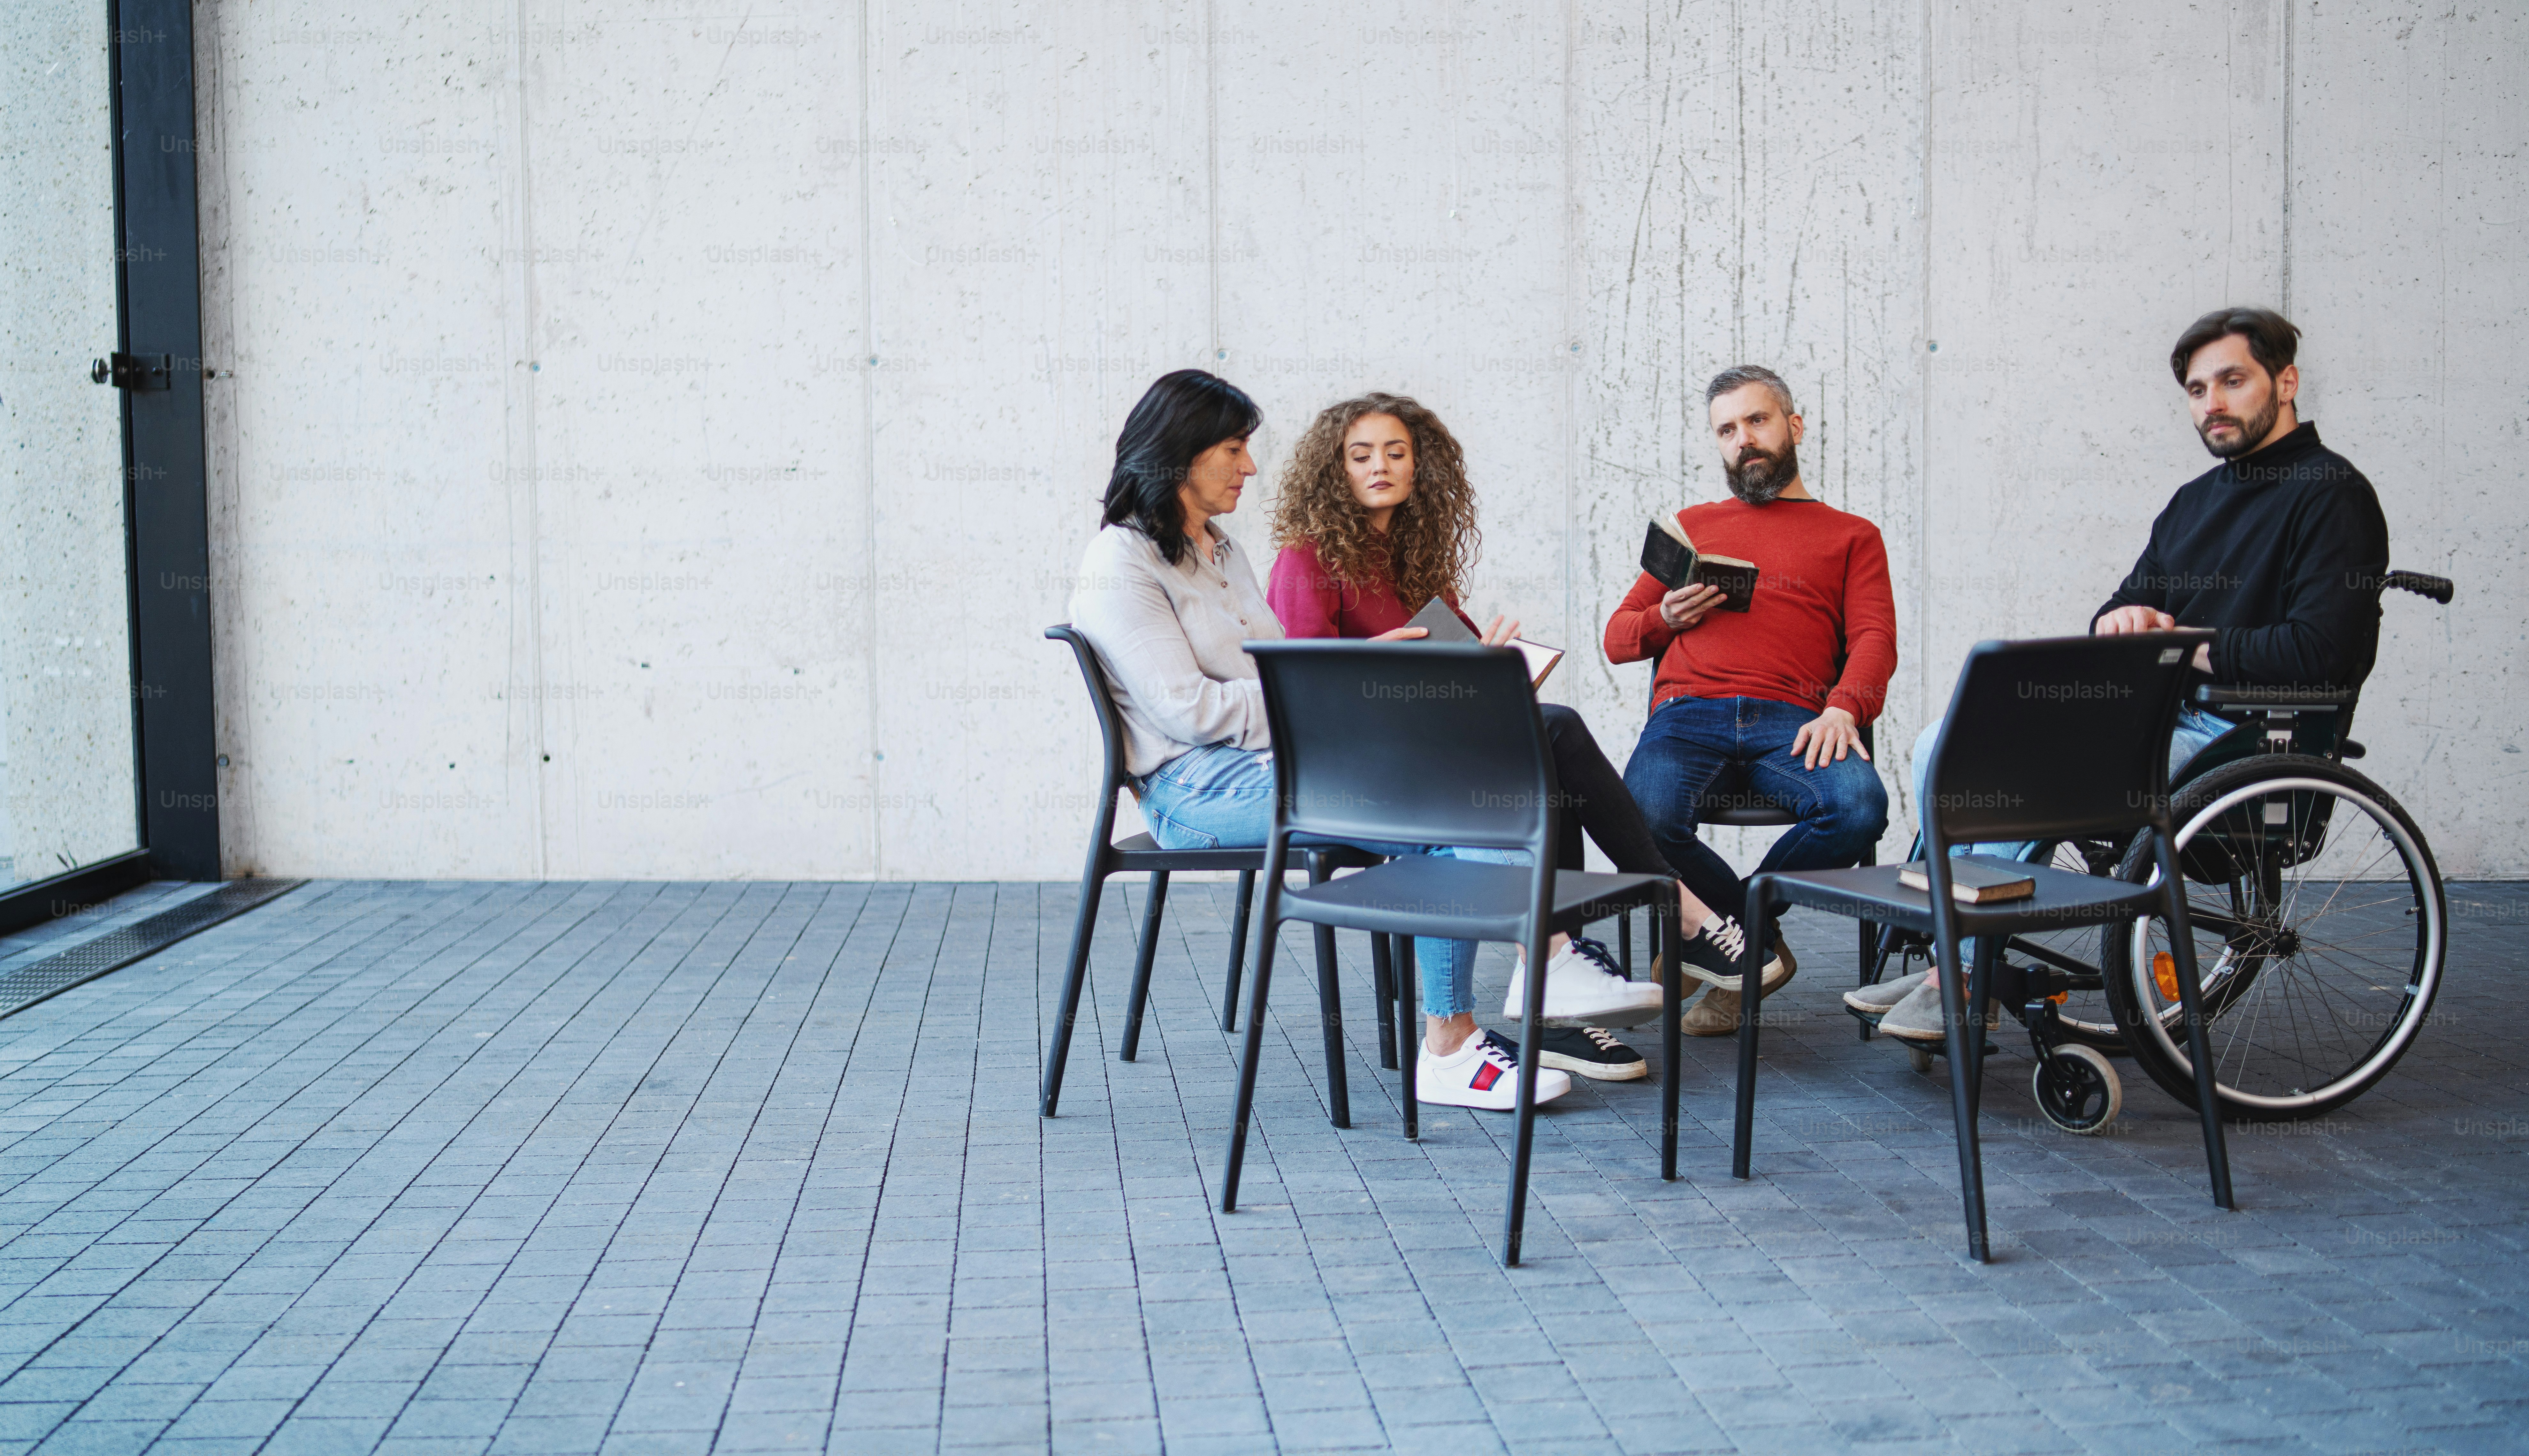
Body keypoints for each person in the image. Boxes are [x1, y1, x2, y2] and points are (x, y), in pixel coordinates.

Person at [1070, 370, 1602, 1113]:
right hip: (1194, 790)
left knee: (1465, 790)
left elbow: (1285, 667)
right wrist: (1323, 701)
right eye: (1233, 448)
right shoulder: (1119, 563)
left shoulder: (1219, 552)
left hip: (1275, 763)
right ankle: (1527, 975)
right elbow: (1190, 712)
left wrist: (1350, 681)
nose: (1249, 467)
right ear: (1180, 454)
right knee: (1447, 796)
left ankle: (1495, 1003)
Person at [1868, 305, 2389, 1041]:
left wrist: (2185, 645)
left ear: (2286, 381)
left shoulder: (2331, 495)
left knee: (2026, 770)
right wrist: (2126, 621)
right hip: (2148, 714)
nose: (2210, 403)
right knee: (1939, 743)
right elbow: (2127, 603)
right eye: (2196, 390)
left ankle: (1955, 973)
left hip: (2245, 733)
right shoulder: (2193, 503)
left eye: (2231, 381)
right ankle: (1952, 957)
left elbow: (2323, 654)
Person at [1266, 392, 1777, 1085]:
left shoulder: (1410, 559)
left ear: (1420, 467)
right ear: (1334, 471)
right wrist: (1389, 658)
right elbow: (1303, 698)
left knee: (1547, 741)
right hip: (1360, 778)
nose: (1380, 466)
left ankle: (1564, 996)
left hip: (1429, 755)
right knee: (1554, 734)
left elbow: (1453, 670)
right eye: (1360, 456)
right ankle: (1665, 922)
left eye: (1395, 452)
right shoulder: (1307, 560)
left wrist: (1494, 669)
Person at [1607, 365, 1897, 1035]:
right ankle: (1744, 946)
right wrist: (1666, 619)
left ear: (1792, 427)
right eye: (1727, 429)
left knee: (1857, 807)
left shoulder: (1851, 535)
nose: (1744, 439)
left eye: (1757, 421)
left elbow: (1874, 638)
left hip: (1796, 721)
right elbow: (1618, 640)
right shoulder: (1689, 527)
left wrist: (1844, 707)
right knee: (1638, 819)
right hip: (1687, 716)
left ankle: (1720, 941)